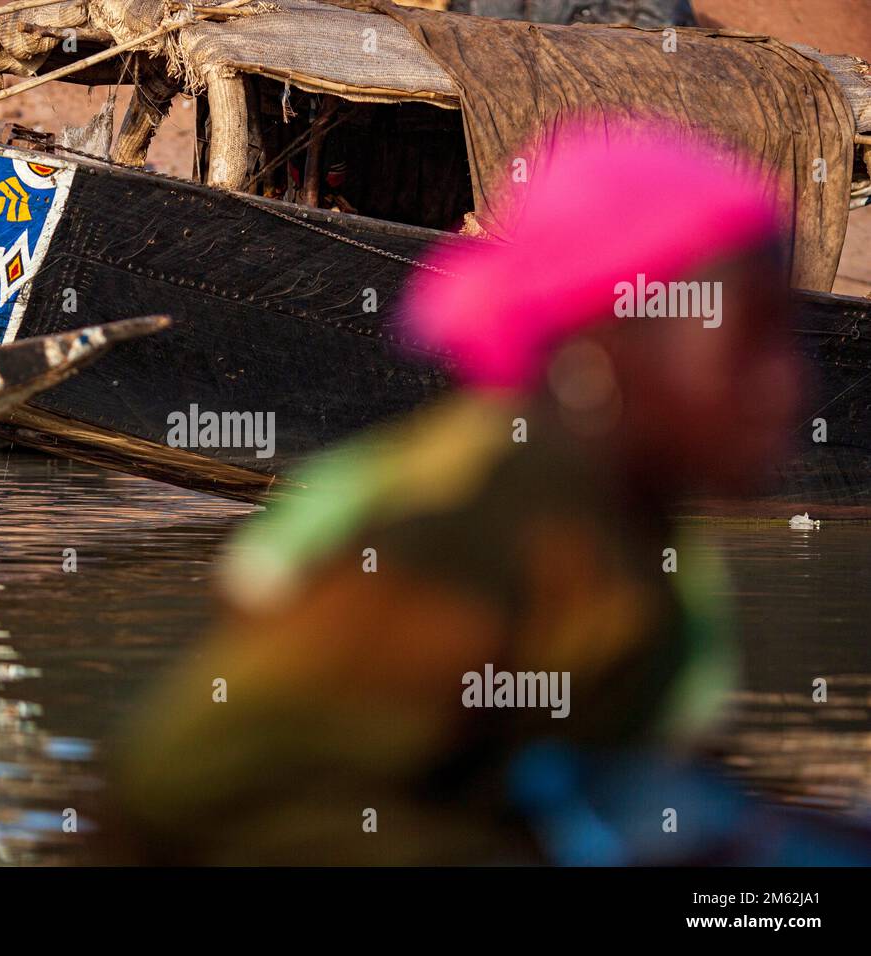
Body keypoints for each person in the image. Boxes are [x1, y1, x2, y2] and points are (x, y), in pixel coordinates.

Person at [102, 122, 869, 865]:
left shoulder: (631, 529)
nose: (788, 385)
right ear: (607, 341)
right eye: (752, 340)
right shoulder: (491, 517)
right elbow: (191, 788)